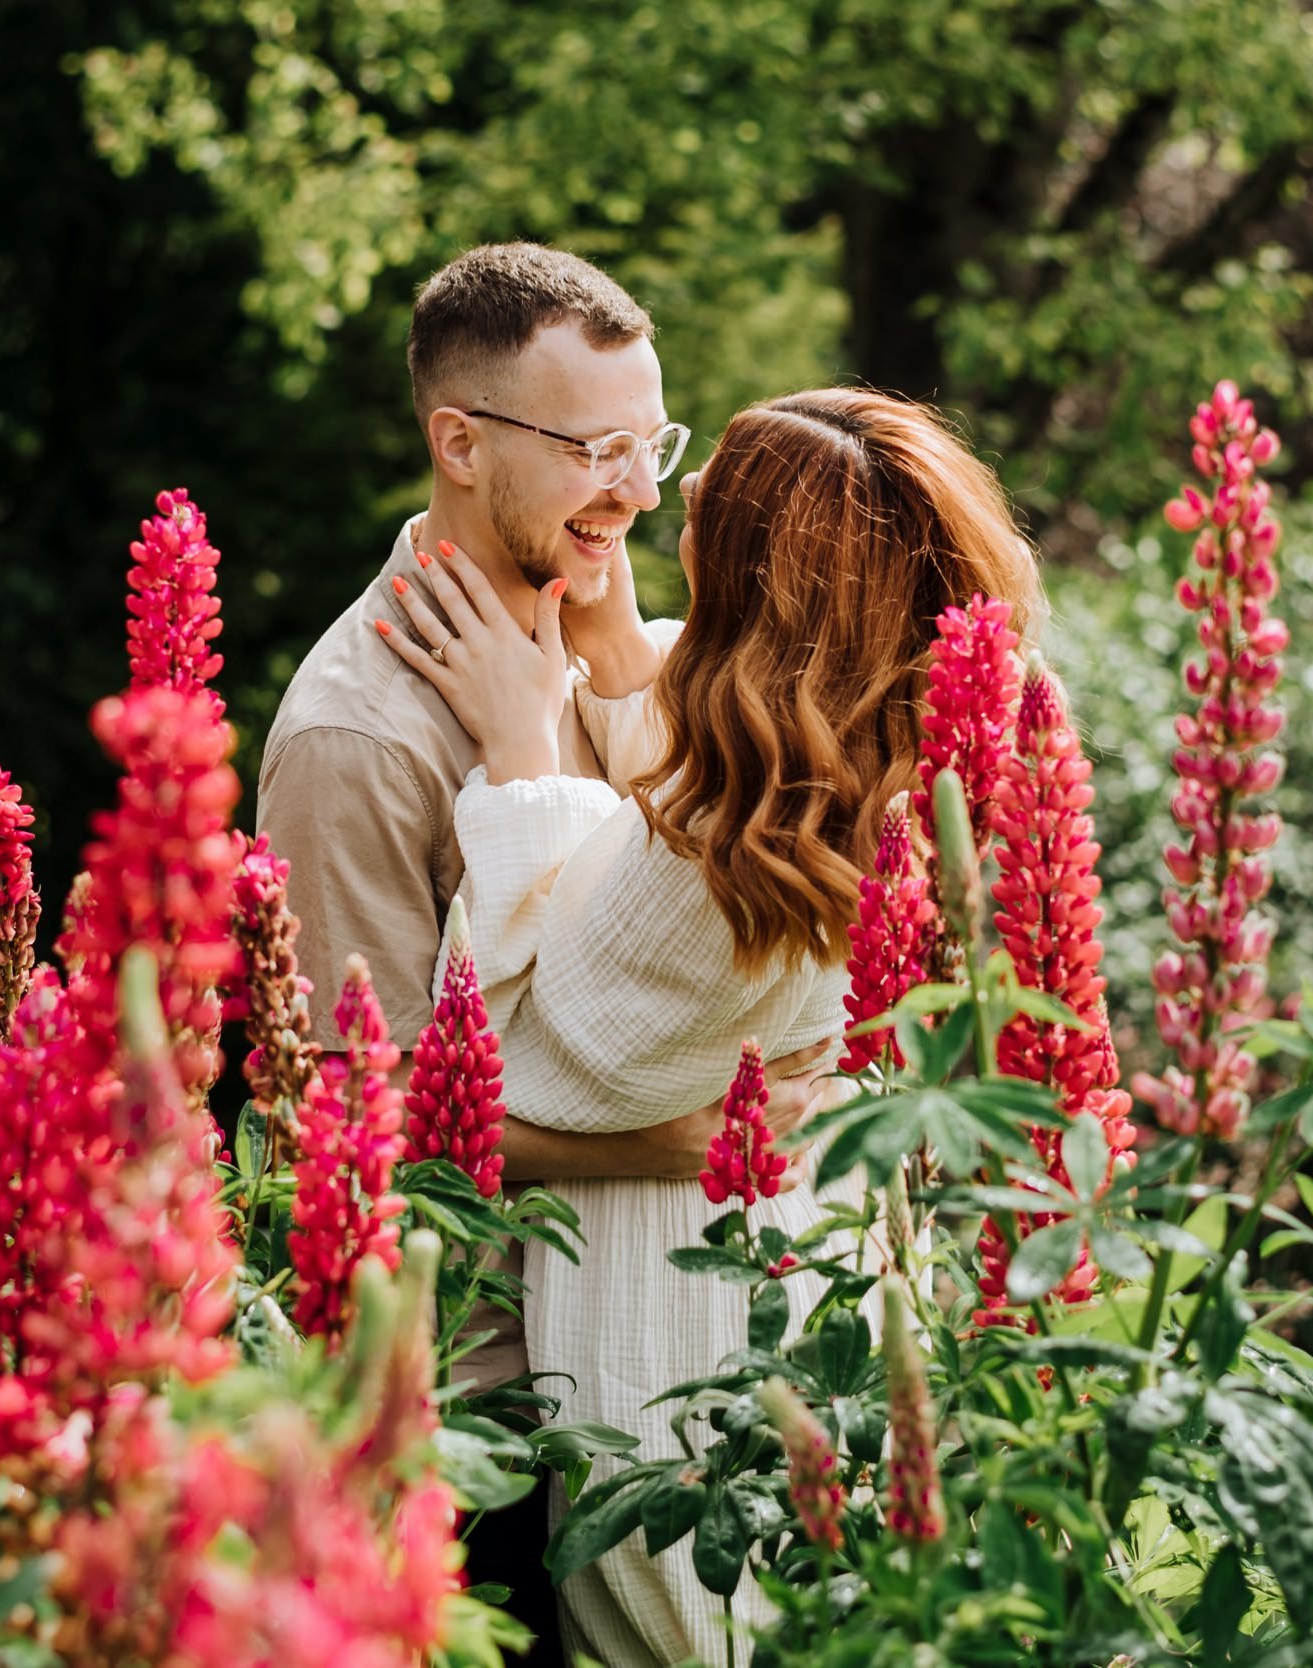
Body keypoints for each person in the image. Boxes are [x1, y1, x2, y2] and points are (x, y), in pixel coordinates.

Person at [375, 387, 1045, 1667]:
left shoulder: (723, 854)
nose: (665, 498)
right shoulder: (866, 756)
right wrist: (635, 668)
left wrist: (524, 760)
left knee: (695, 1631)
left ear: (748, 577)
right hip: (808, 1270)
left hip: (686, 1326)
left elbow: (542, 1050)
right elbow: (709, 751)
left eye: (705, 500)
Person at [253, 243, 838, 1654]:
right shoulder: (359, 736)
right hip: (481, 1421)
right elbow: (351, 1118)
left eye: (652, 445)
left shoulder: (607, 646)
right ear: (458, 442)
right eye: (596, 450)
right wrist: (715, 1139)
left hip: (655, 1379)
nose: (636, 493)